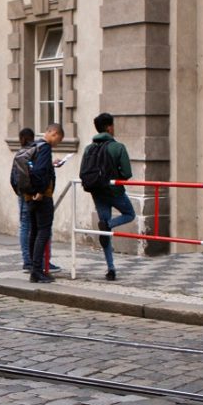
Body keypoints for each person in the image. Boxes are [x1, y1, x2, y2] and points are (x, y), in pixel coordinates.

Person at [83, 111, 135, 281]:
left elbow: (84, 172)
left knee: (105, 231)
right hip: (114, 192)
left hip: (97, 192)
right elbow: (127, 173)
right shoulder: (118, 147)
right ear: (109, 128)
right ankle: (109, 225)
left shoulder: (89, 148)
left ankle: (110, 268)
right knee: (129, 214)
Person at [27, 122, 64, 283]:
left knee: (34, 232)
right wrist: (41, 191)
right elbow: (39, 171)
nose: (57, 143)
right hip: (42, 197)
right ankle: (37, 271)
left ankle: (34, 268)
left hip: (29, 196)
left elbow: (36, 168)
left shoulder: (34, 145)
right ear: (54, 133)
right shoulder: (45, 148)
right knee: (43, 232)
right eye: (59, 140)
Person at [14, 127, 35, 270]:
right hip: (31, 192)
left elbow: (14, 178)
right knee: (29, 225)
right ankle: (29, 260)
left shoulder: (20, 153)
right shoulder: (33, 152)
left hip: (23, 193)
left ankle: (27, 259)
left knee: (25, 225)